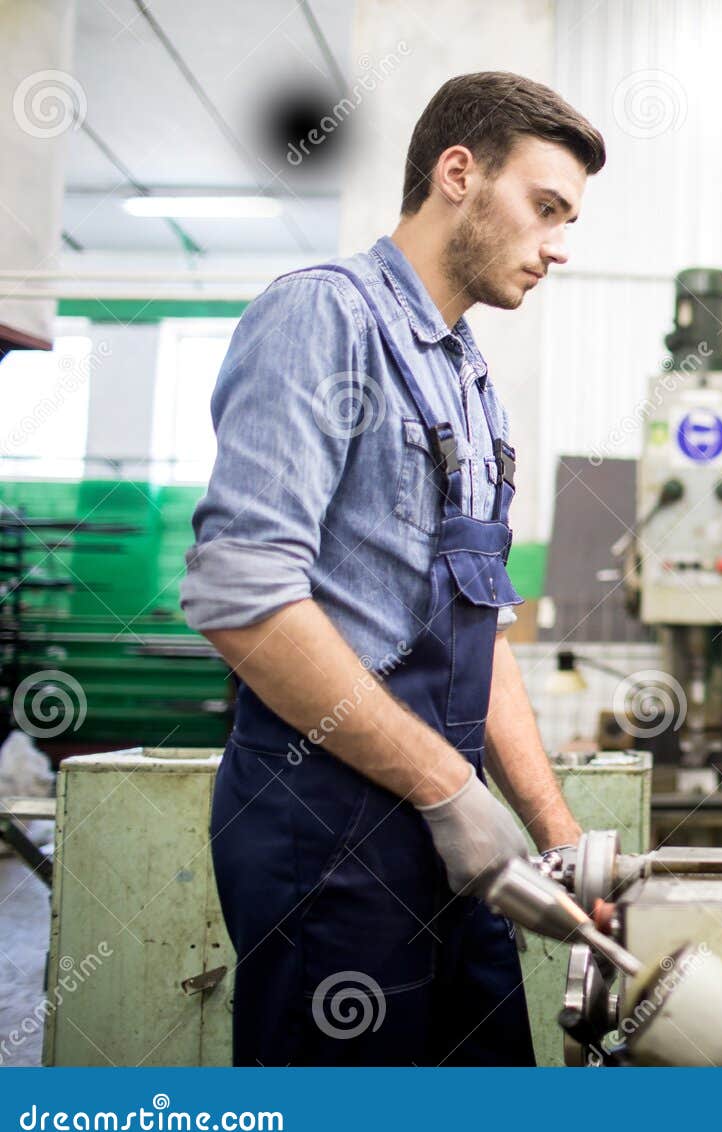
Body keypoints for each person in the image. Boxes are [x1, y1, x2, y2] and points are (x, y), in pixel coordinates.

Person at [181, 72, 606, 1065]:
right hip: (325, 832)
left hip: (443, 835)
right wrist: (446, 788)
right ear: (459, 173)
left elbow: (479, 626)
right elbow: (240, 596)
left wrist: (555, 832)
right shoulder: (321, 320)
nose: (558, 244)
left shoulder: (467, 376)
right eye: (544, 208)